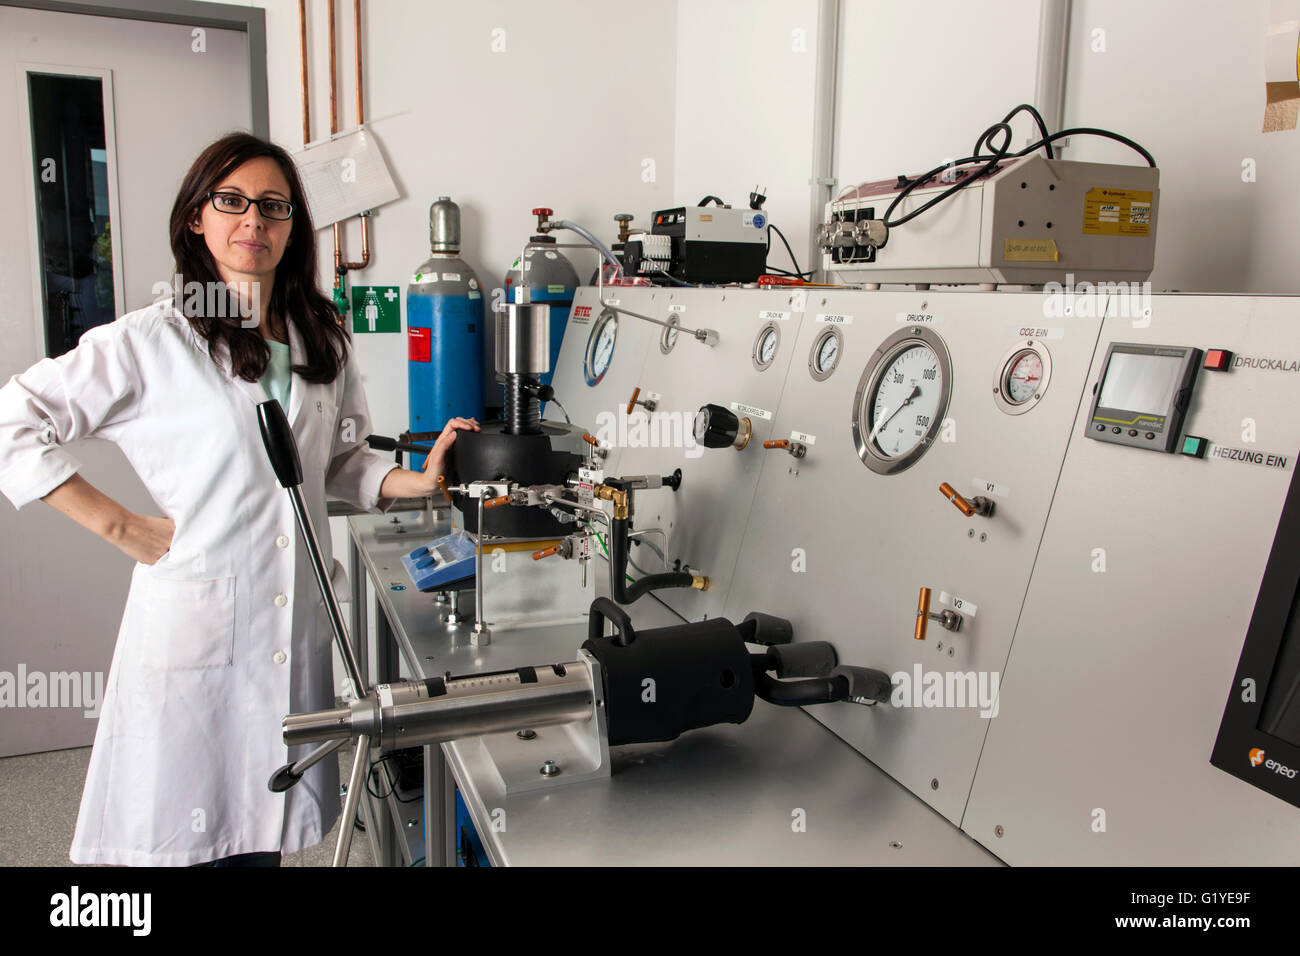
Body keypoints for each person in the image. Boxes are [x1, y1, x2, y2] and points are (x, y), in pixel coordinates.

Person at [0, 132, 479, 866]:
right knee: (187, 841)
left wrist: (411, 481)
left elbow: (336, 461)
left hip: (292, 628)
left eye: (272, 206)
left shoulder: (323, 339)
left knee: (263, 834)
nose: (252, 221)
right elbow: (14, 420)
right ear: (198, 217)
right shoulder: (151, 341)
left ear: (292, 227)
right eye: (231, 202)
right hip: (195, 627)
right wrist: (119, 524)